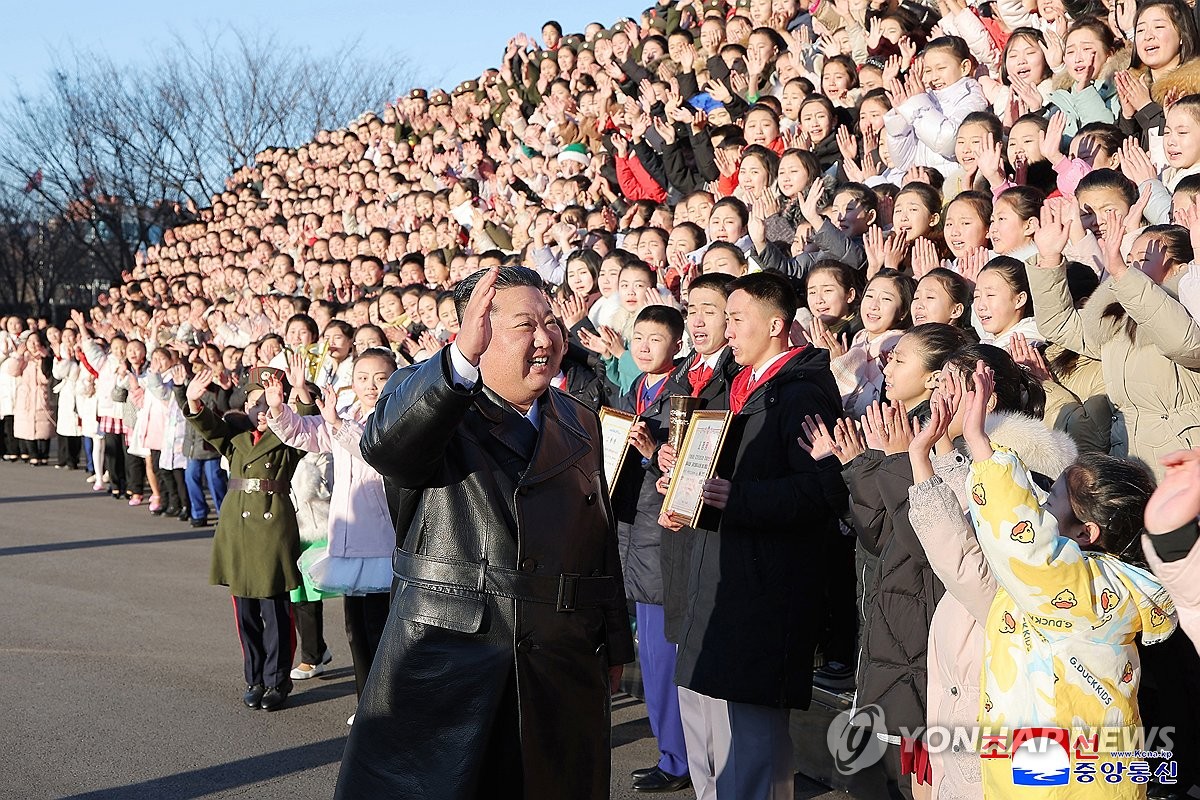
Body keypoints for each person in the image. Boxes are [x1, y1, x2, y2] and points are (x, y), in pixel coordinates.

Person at [336, 266, 633, 799]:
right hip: (452, 656)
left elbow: (597, 539)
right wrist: (456, 362)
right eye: (525, 325)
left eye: (550, 322)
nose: (544, 338)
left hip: (560, 654)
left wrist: (612, 640)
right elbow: (386, 447)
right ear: (479, 333)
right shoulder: (435, 398)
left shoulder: (580, 419)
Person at [664, 271, 847, 800]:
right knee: (742, 734)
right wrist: (684, 480)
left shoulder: (800, 392)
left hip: (770, 585)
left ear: (774, 325)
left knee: (756, 740)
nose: (726, 330)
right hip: (730, 571)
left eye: (736, 318)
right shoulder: (741, 386)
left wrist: (737, 497)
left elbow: (824, 490)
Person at [181, 365, 306, 712]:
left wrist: (298, 394)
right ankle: (254, 678)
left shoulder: (289, 436)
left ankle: (277, 680)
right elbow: (209, 426)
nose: (263, 410)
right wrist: (194, 400)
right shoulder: (236, 438)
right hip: (237, 528)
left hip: (271, 528)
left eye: (270, 400)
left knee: (275, 612)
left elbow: (307, 425)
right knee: (245, 613)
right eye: (256, 403)